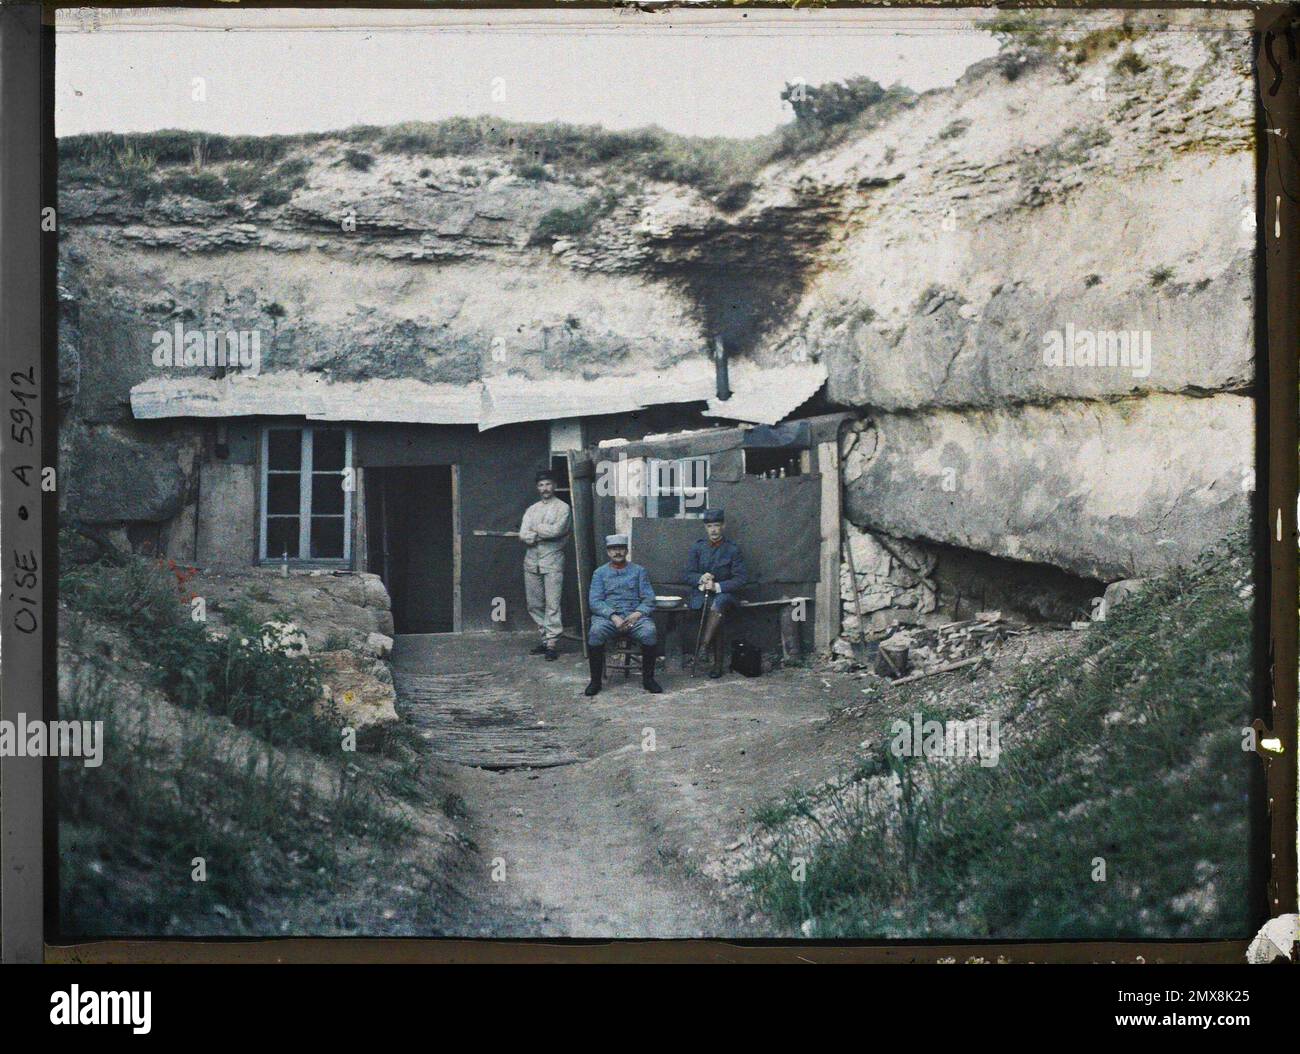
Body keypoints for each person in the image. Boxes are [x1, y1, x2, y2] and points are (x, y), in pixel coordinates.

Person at [585, 534, 663, 697]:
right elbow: (595, 601)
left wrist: (637, 614)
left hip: (634, 617)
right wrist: (613, 616)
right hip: (608, 619)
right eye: (613, 549)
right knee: (595, 632)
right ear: (608, 552)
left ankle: (648, 679)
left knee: (649, 631)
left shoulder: (639, 571)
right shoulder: (599, 573)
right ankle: (595, 681)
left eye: (620, 548)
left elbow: (649, 598)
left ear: (626, 550)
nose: (617, 552)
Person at [683, 508, 747, 678]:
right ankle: (715, 663)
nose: (713, 530)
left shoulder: (733, 549)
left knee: (718, 605)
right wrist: (700, 579)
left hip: (726, 595)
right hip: (701, 595)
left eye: (717, 525)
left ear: (723, 526)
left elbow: (740, 579)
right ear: (705, 527)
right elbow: (687, 574)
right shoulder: (697, 547)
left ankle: (704, 648)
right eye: (710, 526)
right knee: (716, 613)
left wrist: (717, 586)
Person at [519, 469, 571, 661]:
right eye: (541, 485)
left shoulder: (563, 508)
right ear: (537, 488)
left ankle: (552, 644)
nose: (545, 488)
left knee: (553, 604)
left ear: (555, 486)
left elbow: (557, 531)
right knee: (534, 604)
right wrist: (536, 533)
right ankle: (544, 637)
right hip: (531, 562)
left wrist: (536, 530)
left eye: (548, 484)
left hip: (552, 561)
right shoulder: (532, 509)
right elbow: (523, 535)